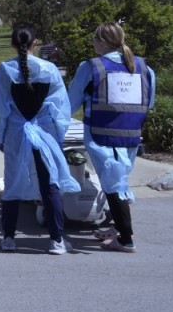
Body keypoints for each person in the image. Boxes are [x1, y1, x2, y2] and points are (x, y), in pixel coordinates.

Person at [67, 22, 156, 253]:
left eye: (95, 38)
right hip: (130, 136)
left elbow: (70, 102)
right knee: (118, 182)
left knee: (113, 185)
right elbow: (149, 101)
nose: (93, 42)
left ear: (103, 42)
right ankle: (119, 230)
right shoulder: (143, 67)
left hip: (101, 137)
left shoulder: (91, 67)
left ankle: (126, 239)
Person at [0, 25, 80, 254]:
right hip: (45, 131)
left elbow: (0, 108)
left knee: (11, 182)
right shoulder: (49, 69)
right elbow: (61, 107)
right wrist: (57, 137)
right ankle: (56, 240)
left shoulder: (5, 69)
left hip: (16, 132)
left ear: (13, 43)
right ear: (35, 42)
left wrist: (1, 135)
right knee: (49, 183)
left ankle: (9, 238)